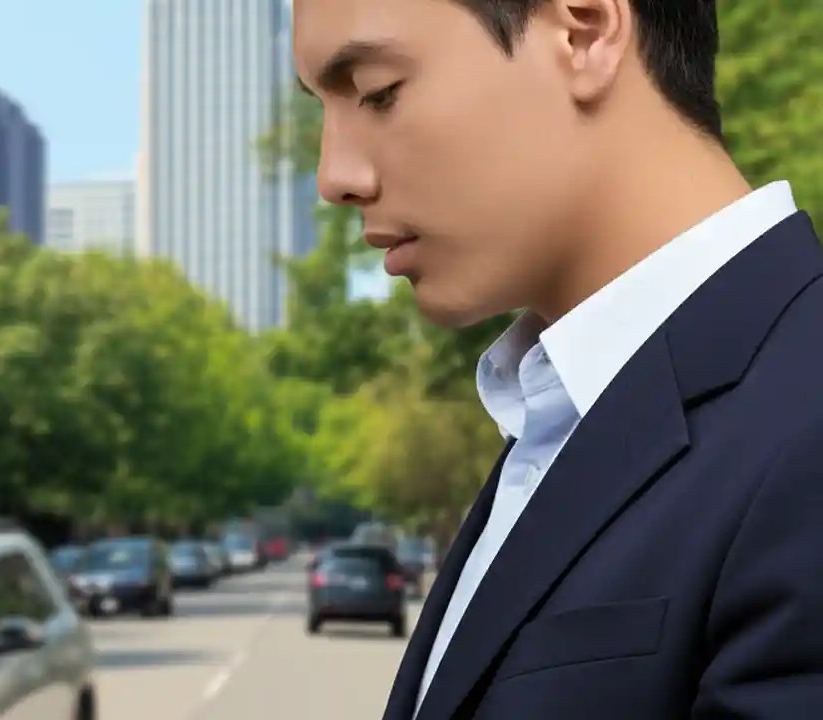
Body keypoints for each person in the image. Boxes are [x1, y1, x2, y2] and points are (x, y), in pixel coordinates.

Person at [292, 0, 822, 718]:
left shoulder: (801, 426)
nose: (334, 176)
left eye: (379, 92)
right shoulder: (558, 416)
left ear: (585, 32)